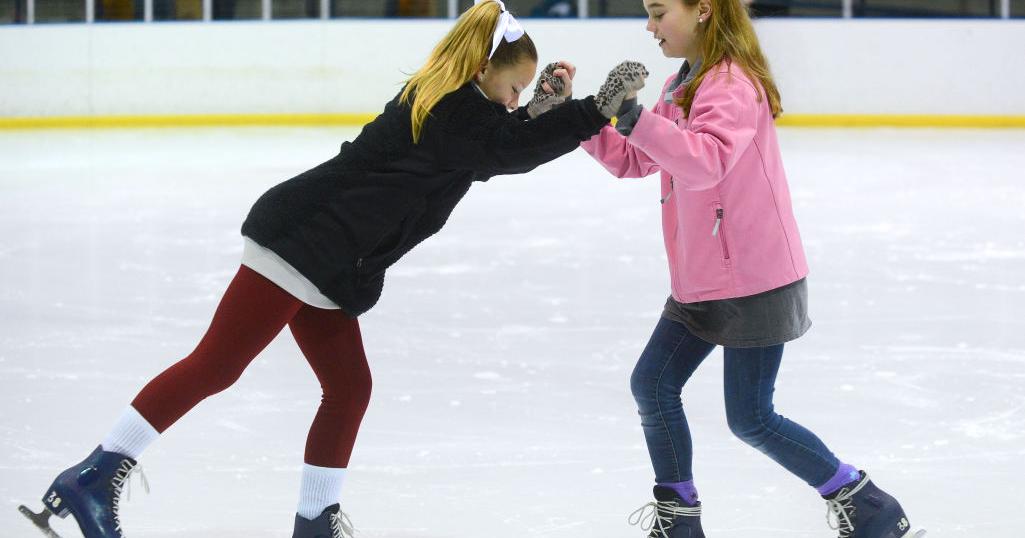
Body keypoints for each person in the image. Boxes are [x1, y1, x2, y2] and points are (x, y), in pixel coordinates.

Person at [20, 2, 649, 537]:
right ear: (484, 71)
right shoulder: (450, 112)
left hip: (331, 259)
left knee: (348, 388)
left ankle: (315, 521)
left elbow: (491, 145)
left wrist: (538, 110)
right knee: (217, 364)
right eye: (513, 89)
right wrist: (591, 110)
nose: (514, 101)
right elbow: (499, 152)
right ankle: (94, 475)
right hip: (303, 243)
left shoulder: (452, 103)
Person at [580, 1, 925, 537]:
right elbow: (637, 158)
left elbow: (705, 161)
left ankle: (868, 506)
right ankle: (680, 520)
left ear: (702, 10)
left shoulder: (731, 83)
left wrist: (633, 117)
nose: (649, 27)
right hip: (700, 278)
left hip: (755, 280)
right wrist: (575, 122)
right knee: (653, 384)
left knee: (751, 418)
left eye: (658, 12)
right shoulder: (679, 85)